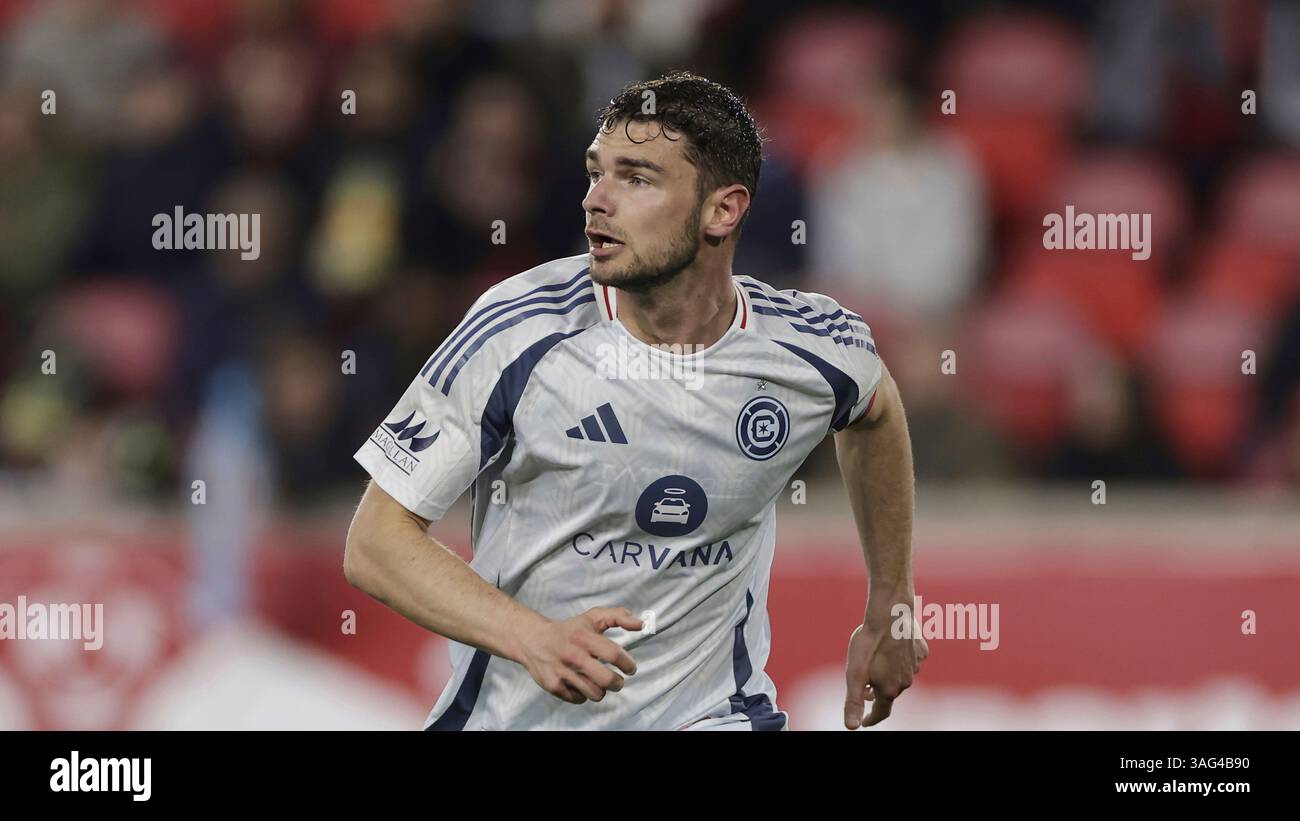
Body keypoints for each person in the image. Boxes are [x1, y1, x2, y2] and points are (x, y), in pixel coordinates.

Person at [344, 71, 926, 730]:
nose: (597, 200)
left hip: (715, 715)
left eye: (637, 178)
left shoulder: (808, 348)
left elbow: (875, 408)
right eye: (597, 173)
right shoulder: (519, 331)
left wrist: (891, 602)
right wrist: (530, 634)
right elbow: (374, 542)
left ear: (722, 210)